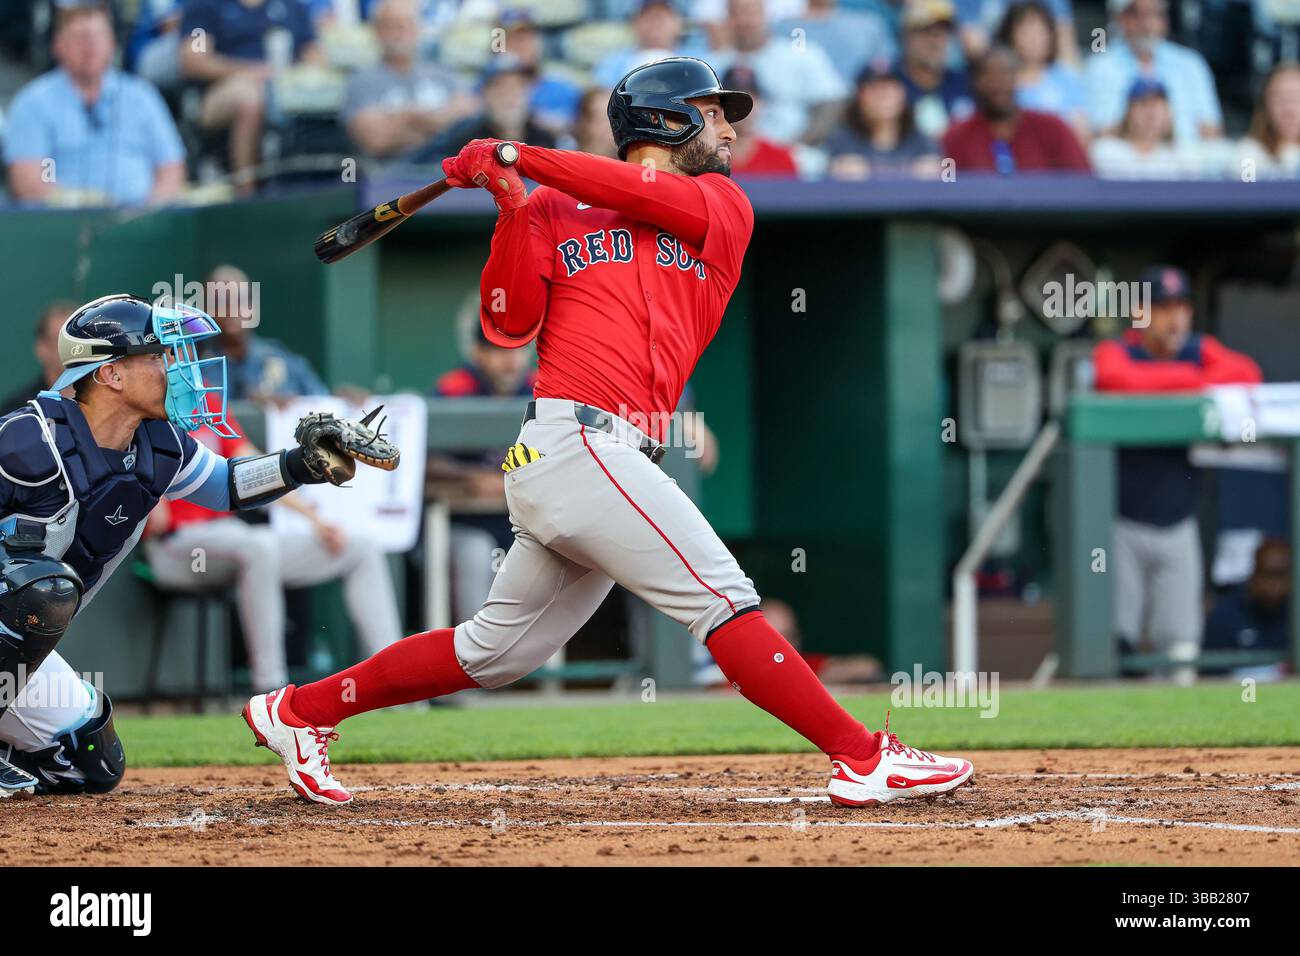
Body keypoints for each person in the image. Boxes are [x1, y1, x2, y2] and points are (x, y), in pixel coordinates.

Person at [242, 56, 974, 809]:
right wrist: (514, 203)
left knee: (489, 652)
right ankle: (861, 758)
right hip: (571, 444)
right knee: (723, 596)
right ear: (667, 117)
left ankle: (298, 712)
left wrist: (520, 154)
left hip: (614, 453)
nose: (728, 128)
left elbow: (637, 189)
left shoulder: (722, 204)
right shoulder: (558, 208)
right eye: (714, 111)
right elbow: (505, 319)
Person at [0, 294, 394, 797]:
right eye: (157, 356)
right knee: (37, 586)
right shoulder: (28, 439)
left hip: (18, 652)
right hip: (15, 616)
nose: (173, 367)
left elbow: (229, 485)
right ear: (111, 374)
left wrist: (303, 464)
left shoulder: (160, 445)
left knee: (91, 763)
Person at [142, 411, 404, 692]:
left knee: (359, 548)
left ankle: (398, 679)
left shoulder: (207, 406)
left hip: (231, 537)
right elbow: (156, 522)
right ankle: (271, 689)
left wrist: (315, 521)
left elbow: (256, 471)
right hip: (174, 547)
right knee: (260, 546)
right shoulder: (145, 419)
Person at [1092, 266, 1263, 682]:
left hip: (1178, 521)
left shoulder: (1200, 348)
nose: (1175, 319)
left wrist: (1181, 381)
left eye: (1182, 307)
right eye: (1162, 307)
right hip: (1121, 522)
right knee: (1115, 643)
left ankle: (1174, 747)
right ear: (1140, 313)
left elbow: (1247, 374)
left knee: (1181, 647)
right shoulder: (1117, 351)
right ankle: (1113, 743)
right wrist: (1196, 384)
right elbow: (1117, 379)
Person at [3, 2, 185, 207]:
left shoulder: (142, 96)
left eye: (98, 37)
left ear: (112, 42)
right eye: (80, 38)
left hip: (141, 225)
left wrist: (150, 212)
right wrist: (77, 204)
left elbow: (171, 167)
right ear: (58, 45)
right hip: (63, 226)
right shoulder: (33, 103)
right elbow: (30, 182)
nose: (90, 47)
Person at [428, 313, 537, 623]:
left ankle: (533, 670)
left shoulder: (540, 388)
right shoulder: (452, 389)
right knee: (475, 555)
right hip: (465, 522)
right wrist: (471, 476)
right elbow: (425, 462)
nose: (512, 361)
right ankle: (473, 666)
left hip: (524, 520)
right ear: (478, 353)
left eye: (518, 350)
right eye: (500, 350)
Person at [179, 0, 322, 192]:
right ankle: (247, 193)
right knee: (249, 96)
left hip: (285, 87)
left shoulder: (291, 7)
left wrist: (302, 74)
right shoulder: (205, 6)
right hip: (219, 92)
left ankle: (322, 184)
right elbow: (194, 61)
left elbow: (314, 54)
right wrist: (251, 72)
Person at [342, 0, 476, 160]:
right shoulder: (362, 82)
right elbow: (377, 140)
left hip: (445, 176)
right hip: (389, 177)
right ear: (378, 31)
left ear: (419, 28)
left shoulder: (443, 73)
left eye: (409, 24)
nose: (403, 31)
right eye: (394, 25)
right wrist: (435, 122)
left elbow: (469, 119)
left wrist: (402, 119)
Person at [1083, 0, 1222, 146]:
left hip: (1186, 161)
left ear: (1165, 20)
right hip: (1122, 162)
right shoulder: (1099, 67)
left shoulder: (1191, 64)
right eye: (1138, 15)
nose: (1147, 25)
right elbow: (1096, 135)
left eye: (1155, 14)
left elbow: (1212, 130)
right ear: (1121, 19)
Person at [709, 0, 847, 145]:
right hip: (734, 156)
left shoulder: (801, 55)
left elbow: (832, 103)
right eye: (737, 13)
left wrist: (800, 145)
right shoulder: (713, 65)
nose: (746, 21)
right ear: (726, 18)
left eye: (752, 12)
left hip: (798, 154)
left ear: (766, 14)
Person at [942, 46, 1091, 173]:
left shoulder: (1052, 128)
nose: (998, 84)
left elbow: (1083, 184)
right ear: (975, 83)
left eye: (1005, 74)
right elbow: (943, 193)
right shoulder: (957, 137)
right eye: (989, 76)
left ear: (1018, 79)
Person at [199, 265, 329, 403]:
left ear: (252, 306)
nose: (231, 309)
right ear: (206, 310)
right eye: (220, 301)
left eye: (239, 300)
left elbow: (324, 404)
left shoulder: (282, 359)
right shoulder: (195, 365)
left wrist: (347, 404)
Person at [412, 55, 557, 163]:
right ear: (485, 95)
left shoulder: (544, 139)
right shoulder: (464, 137)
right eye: (500, 88)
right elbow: (419, 168)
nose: (509, 96)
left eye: (517, 87)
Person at [823, 60, 942, 179]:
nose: (883, 96)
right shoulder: (842, 141)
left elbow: (942, 181)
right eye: (875, 89)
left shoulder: (922, 142)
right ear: (860, 97)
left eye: (891, 88)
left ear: (903, 95)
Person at [997, 0, 1087, 141]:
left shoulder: (1066, 78)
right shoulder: (1001, 82)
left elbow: (1082, 133)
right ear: (1011, 35)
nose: (1033, 39)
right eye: (1026, 31)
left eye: (1039, 32)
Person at [1203, 537, 1290, 680]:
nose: (1274, 587)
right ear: (1253, 575)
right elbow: (1209, 676)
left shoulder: (1294, 612)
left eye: (1280, 576)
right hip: (1238, 696)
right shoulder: (1225, 615)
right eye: (1267, 575)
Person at [1090, 78, 1210, 178]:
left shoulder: (1184, 156)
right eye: (1143, 105)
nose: (1151, 113)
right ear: (1128, 112)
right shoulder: (1106, 153)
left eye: (1158, 106)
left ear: (1168, 113)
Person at [772, 0, 898, 88]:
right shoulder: (783, 29)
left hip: (859, 108)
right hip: (806, 109)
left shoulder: (869, 24)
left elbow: (887, 69)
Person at [896, 0, 975, 140]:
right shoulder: (889, 83)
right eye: (927, 33)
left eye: (942, 33)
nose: (935, 42)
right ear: (906, 37)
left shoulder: (963, 82)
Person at [593, 0, 707, 89]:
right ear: (635, 23)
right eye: (649, 17)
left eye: (662, 17)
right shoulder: (612, 64)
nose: (656, 23)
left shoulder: (699, 62)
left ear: (678, 23)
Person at [717, 65, 798, 177]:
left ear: (761, 103)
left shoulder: (780, 157)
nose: (743, 108)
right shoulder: (705, 158)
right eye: (736, 100)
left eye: (750, 99)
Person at [0, 301, 79, 414]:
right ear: (41, 348)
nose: (73, 348)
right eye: (61, 340)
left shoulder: (105, 402)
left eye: (77, 338)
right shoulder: (19, 410)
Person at [1230, 63, 1300, 180]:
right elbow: (1244, 193)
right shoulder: (1248, 155)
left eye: (1297, 98)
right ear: (1265, 105)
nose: (1289, 110)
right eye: (1280, 99)